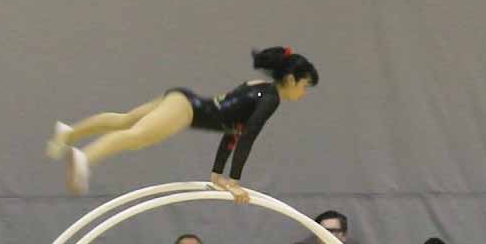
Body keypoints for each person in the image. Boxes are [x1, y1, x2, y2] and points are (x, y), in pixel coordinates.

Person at [46, 46, 319, 204]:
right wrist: (234, 182)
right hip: (188, 110)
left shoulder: (259, 86)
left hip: (183, 99)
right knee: (137, 135)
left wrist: (217, 176)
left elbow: (232, 132)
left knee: (125, 119)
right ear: (293, 79)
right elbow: (247, 136)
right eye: (305, 86)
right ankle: (85, 157)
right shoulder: (271, 99)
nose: (303, 93)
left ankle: (69, 133)